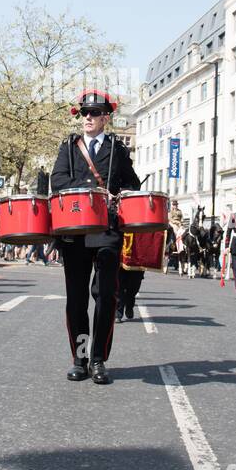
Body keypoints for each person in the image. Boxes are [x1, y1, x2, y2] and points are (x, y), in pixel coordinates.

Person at [50, 90, 141, 384]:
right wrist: (89, 194)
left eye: (94, 113)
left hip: (107, 231)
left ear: (105, 117)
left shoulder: (117, 148)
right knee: (76, 299)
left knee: (105, 296)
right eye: (84, 113)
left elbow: (132, 182)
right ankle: (80, 357)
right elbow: (59, 180)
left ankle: (99, 359)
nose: (87, 118)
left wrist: (121, 193)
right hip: (75, 232)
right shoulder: (69, 147)